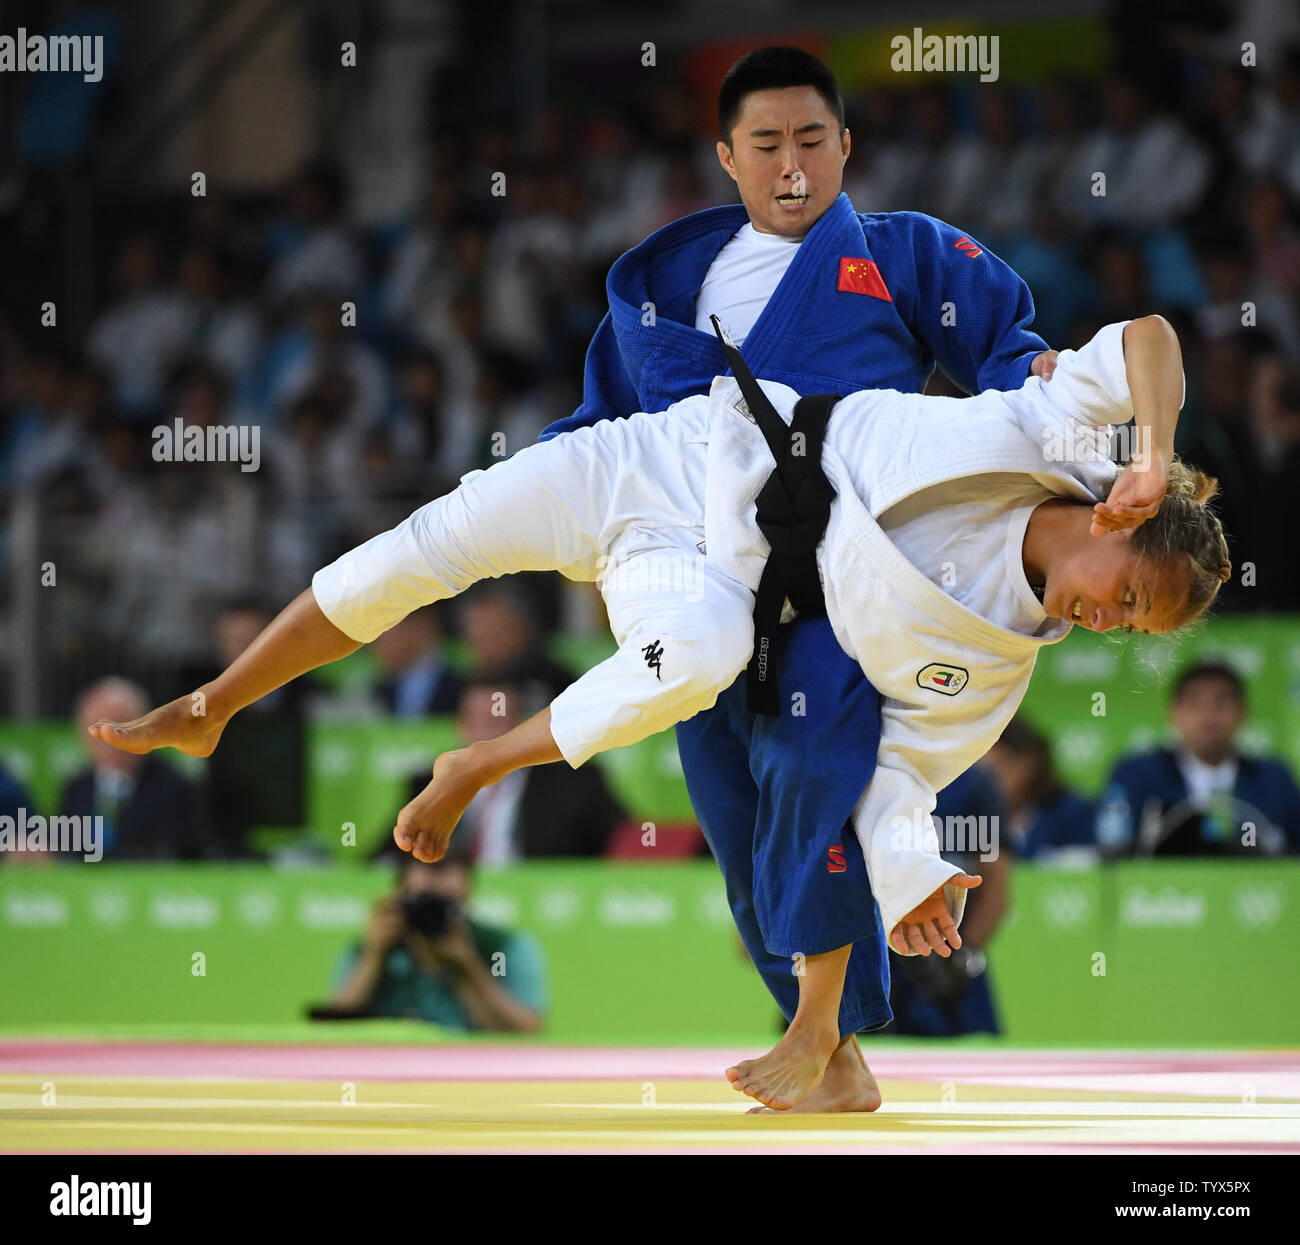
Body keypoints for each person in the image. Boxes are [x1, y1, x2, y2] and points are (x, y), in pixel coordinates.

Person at [87, 311, 1228, 1106]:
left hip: (713, 577)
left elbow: (891, 778)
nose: (1108, 623)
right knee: (430, 545)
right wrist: (1158, 450)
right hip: (683, 454)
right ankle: (217, 700)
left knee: (697, 656)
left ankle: (478, 764)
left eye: (1133, 629)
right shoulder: (1062, 442)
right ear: (1119, 516)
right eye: (1126, 597)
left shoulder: (993, 668)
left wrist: (914, 866)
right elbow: (1149, 340)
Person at [540, 45, 1059, 1114]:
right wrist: (591, 564)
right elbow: (594, 442)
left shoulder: (900, 253)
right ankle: (834, 1055)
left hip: (838, 585)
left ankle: (823, 1029)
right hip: (701, 589)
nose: (792, 166)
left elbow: (1011, 356)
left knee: (804, 780)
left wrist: (1050, 392)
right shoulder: (661, 291)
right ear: (725, 156)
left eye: (812, 141)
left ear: (845, 147)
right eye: (766, 144)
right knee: (734, 822)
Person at [328, 833, 547, 1032]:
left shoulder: (503, 947)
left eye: (444, 906)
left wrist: (466, 966)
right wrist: (373, 957)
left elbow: (525, 1033)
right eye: (423, 903)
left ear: (468, 893)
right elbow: (335, 1027)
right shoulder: (375, 945)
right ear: (400, 892)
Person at [1096, 660, 1300, 856]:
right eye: (1195, 704)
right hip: (1166, 891)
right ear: (1174, 713)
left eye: (1221, 703)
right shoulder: (1136, 774)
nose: (1208, 717)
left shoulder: (1274, 778)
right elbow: (1113, 849)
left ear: (1242, 713)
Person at [443, 679, 624, 862]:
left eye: (496, 722)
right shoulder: (433, 784)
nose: (486, 734)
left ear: (522, 725)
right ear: (459, 725)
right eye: (476, 721)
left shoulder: (573, 786)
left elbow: (619, 841)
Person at [985, 716, 1098, 860]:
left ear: (1029, 762)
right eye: (981, 771)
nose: (990, 780)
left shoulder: (1074, 813)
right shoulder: (966, 819)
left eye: (998, 767)